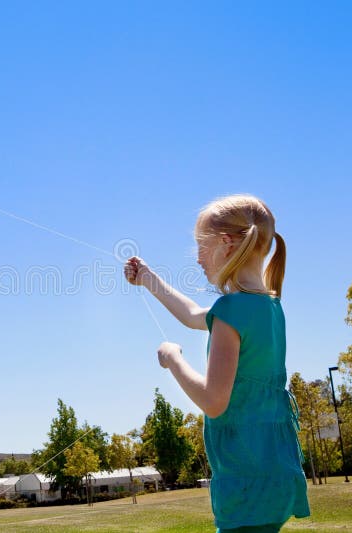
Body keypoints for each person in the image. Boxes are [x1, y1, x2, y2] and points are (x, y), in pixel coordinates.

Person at [124, 194, 310, 532]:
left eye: (200, 246)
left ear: (226, 243)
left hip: (244, 481)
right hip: (276, 473)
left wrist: (173, 359)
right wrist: (148, 278)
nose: (197, 258)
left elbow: (213, 401)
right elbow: (193, 315)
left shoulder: (230, 310)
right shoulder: (269, 307)